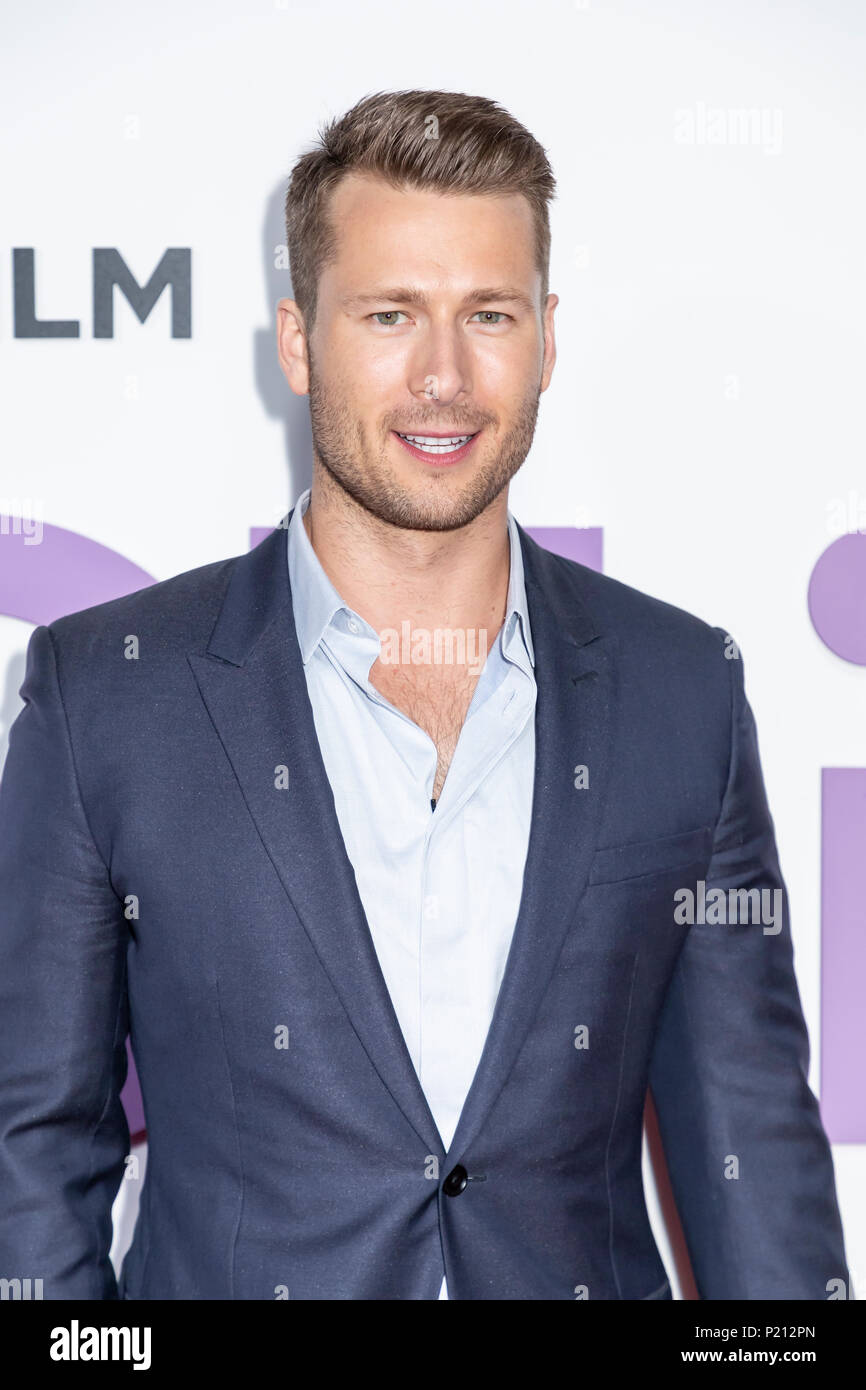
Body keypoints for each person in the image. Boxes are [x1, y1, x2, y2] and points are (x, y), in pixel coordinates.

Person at [0, 88, 849, 1300]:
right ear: (297, 341)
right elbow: (30, 1147)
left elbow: (748, 1149)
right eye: (389, 313)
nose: (442, 376)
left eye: (487, 315)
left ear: (547, 337)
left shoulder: (680, 691)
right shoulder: (107, 696)